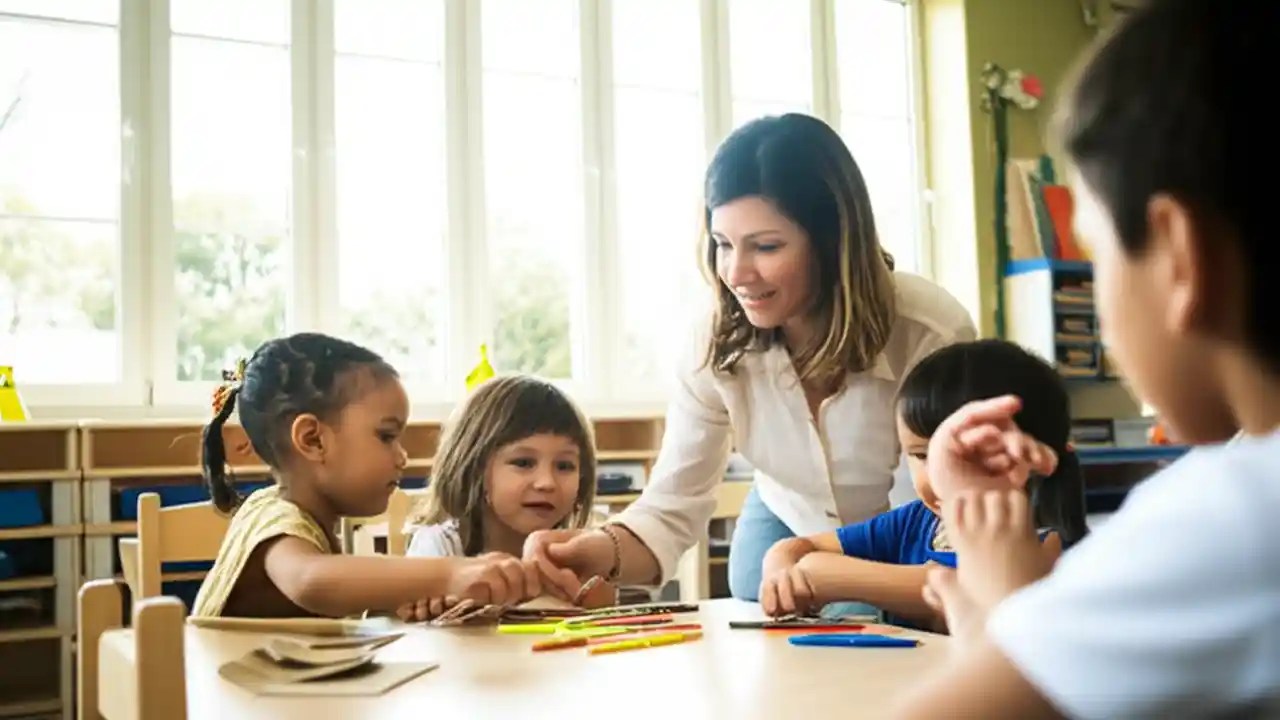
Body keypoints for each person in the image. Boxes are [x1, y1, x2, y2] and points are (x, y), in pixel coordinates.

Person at [896, 2, 1280, 717]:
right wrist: (1009, 624)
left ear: (1177, 258)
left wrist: (1003, 618)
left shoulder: (1231, 519)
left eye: (1097, 255)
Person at [524, 113, 976, 605]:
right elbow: (671, 507)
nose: (737, 273)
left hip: (901, 527)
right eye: (722, 245)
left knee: (856, 610)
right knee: (755, 603)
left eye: (766, 246)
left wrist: (826, 571)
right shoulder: (712, 344)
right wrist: (599, 550)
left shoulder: (930, 331)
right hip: (787, 506)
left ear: (833, 241)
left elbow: (926, 533)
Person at [191, 333, 542, 618]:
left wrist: (407, 600)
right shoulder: (275, 517)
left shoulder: (308, 521)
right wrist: (451, 573)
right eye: (386, 436)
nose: (403, 456)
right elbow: (312, 582)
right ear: (313, 440)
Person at [757, 339, 1087, 628]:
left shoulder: (1045, 544)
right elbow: (801, 546)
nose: (937, 475)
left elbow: (961, 591)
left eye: (967, 454)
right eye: (920, 455)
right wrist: (781, 566)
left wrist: (822, 574)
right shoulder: (916, 521)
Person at [397, 374, 597, 619]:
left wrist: (594, 592)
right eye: (523, 463)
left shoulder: (580, 551)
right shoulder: (439, 546)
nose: (547, 483)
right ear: (474, 468)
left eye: (565, 466)